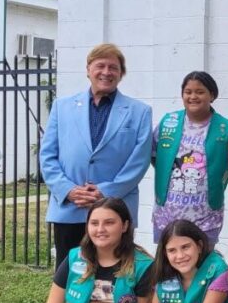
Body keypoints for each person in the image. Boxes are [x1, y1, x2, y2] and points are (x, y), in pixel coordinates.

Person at [39, 44, 152, 269]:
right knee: (69, 273)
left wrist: (105, 193)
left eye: (113, 67)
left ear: (121, 73)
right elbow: (48, 155)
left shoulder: (139, 112)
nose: (106, 72)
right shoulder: (62, 107)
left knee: (115, 273)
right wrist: (68, 190)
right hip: (70, 208)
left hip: (116, 211)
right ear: (88, 69)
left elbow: (139, 161)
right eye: (100, 65)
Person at [152, 71, 228, 244]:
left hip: (206, 217)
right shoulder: (168, 122)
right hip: (167, 214)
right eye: (188, 92)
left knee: (203, 260)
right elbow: (155, 157)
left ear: (212, 95)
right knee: (166, 260)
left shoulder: (225, 128)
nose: (193, 96)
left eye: (200, 92)